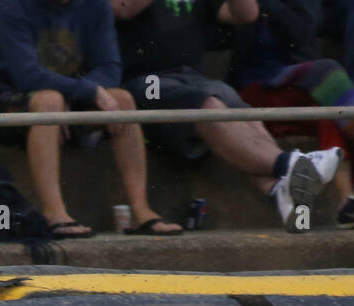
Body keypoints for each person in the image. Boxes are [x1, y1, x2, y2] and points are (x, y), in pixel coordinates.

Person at [113, 0, 343, 232]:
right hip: (145, 81)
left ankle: (279, 189)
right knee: (207, 104)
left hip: (191, 77)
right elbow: (122, 8)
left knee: (242, 114)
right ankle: (293, 163)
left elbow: (245, 14)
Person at [0, 0, 182, 239]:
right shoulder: (11, 7)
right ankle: (54, 212)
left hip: (62, 96)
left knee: (123, 100)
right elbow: (26, 75)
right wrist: (83, 92)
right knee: (49, 101)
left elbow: (109, 68)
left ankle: (141, 210)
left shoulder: (96, 6)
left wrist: (76, 93)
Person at [230, 0, 354, 228]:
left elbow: (299, 33)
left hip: (296, 85)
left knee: (328, 105)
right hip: (253, 90)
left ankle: (347, 203)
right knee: (328, 73)